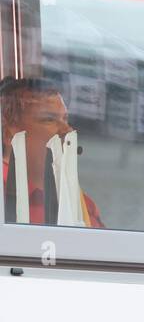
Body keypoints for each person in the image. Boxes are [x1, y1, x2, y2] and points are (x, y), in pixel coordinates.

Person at [0, 77, 105, 227]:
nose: (67, 130)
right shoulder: (4, 198)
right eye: (49, 120)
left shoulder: (81, 203)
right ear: (9, 133)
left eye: (65, 119)